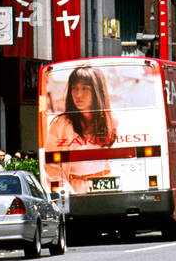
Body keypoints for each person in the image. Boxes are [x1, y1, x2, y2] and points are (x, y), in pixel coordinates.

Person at [42, 65, 119, 193]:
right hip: (73, 187)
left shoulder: (113, 122)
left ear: (96, 91)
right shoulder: (60, 124)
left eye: (84, 88)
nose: (78, 94)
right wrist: (66, 190)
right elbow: (51, 165)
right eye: (74, 88)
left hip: (106, 185)